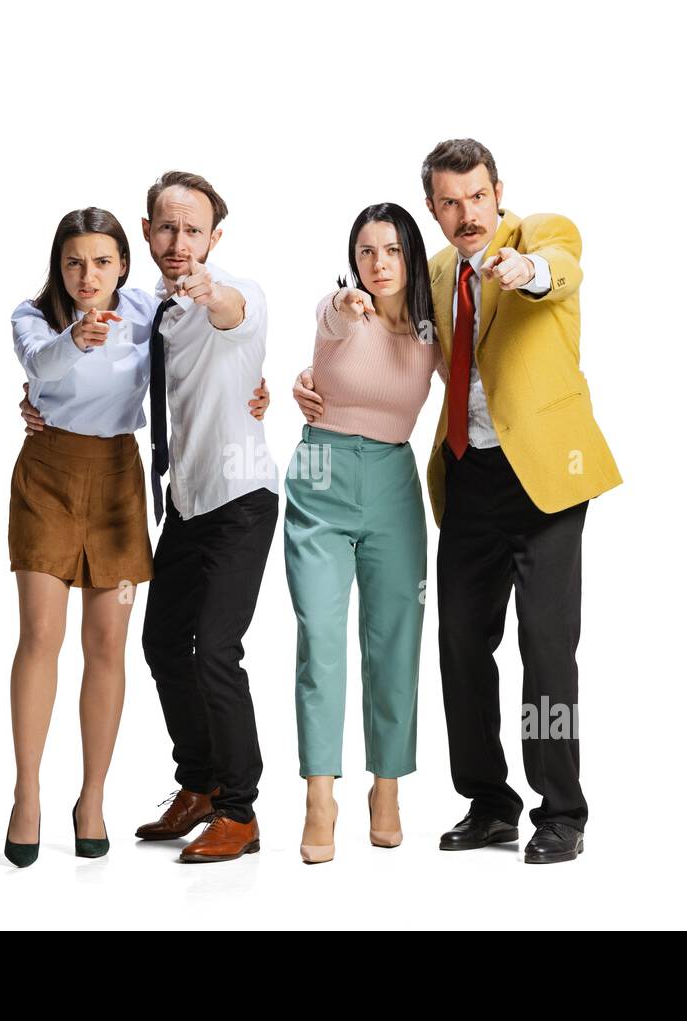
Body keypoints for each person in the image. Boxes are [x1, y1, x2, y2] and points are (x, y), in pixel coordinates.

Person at [19, 171, 279, 865]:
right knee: (164, 643)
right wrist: (38, 395)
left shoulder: (234, 291)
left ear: (215, 238)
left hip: (241, 499)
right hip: (184, 502)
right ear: (146, 234)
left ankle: (240, 810)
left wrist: (211, 293)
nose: (180, 241)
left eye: (194, 230)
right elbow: (70, 361)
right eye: (167, 227)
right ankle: (196, 782)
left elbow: (232, 314)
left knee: (216, 649)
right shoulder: (149, 311)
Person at [420, 138, 621, 863]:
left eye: (477, 196)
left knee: (545, 647)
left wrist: (526, 269)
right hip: (470, 476)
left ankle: (561, 809)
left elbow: (560, 272)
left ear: (498, 191)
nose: (466, 213)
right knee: (460, 644)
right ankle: (488, 801)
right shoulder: (439, 269)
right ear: (434, 207)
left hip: (546, 481)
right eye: (449, 201)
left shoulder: (541, 233)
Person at [283, 203, 442, 864]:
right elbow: (334, 315)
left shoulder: (433, 330)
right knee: (320, 638)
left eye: (392, 250)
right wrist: (343, 309)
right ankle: (320, 797)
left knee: (394, 638)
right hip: (321, 475)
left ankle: (387, 787)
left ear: (411, 256)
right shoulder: (341, 306)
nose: (378, 263)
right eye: (367, 250)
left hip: (393, 483)